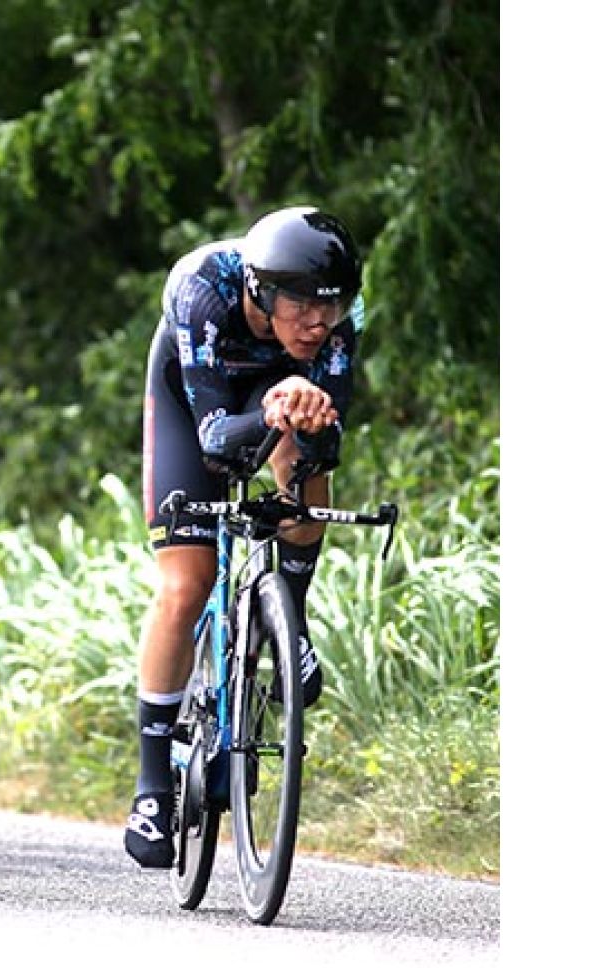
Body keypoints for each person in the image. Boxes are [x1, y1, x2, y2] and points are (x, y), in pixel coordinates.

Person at [125, 205, 364, 868]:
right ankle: (152, 784)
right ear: (261, 291)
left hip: (272, 401)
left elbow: (329, 445)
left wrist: (309, 424)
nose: (319, 323)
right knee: (186, 584)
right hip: (194, 404)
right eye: (302, 306)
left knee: (304, 454)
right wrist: (275, 408)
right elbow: (213, 441)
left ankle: (291, 618)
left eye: (333, 306)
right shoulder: (203, 288)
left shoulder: (339, 323)